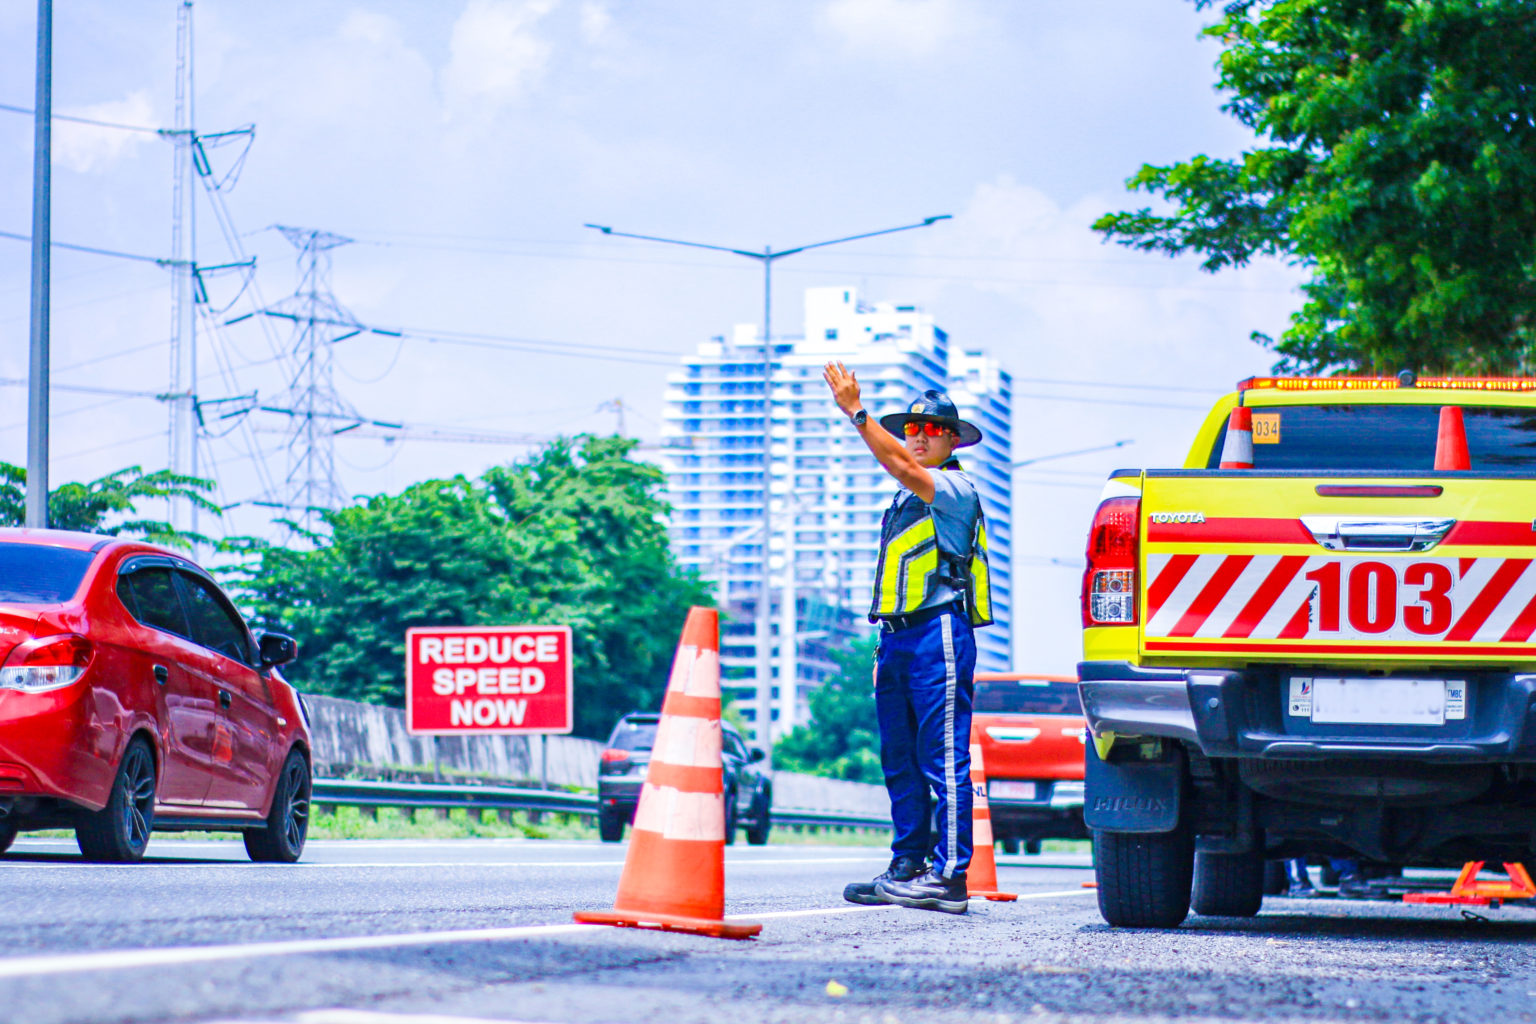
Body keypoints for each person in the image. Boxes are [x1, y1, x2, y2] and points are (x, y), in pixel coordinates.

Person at [825, 363, 994, 915]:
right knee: (899, 759)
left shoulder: (955, 488)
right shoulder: (903, 499)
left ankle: (949, 877)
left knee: (941, 757)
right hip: (897, 639)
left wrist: (857, 412)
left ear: (952, 439)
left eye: (932, 430)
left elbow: (898, 463)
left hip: (936, 634)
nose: (919, 437)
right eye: (913, 429)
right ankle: (908, 865)